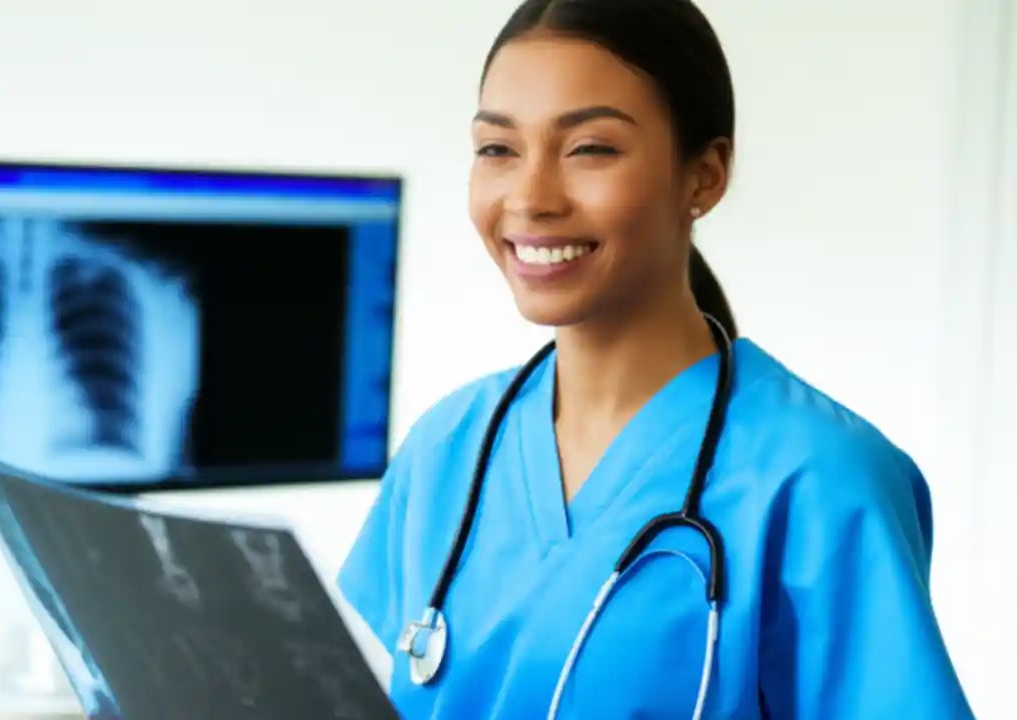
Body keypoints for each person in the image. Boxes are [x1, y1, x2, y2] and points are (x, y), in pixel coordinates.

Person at [337, 0, 976, 717]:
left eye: (590, 149)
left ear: (703, 175)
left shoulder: (820, 477)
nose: (531, 196)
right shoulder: (446, 449)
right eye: (498, 149)